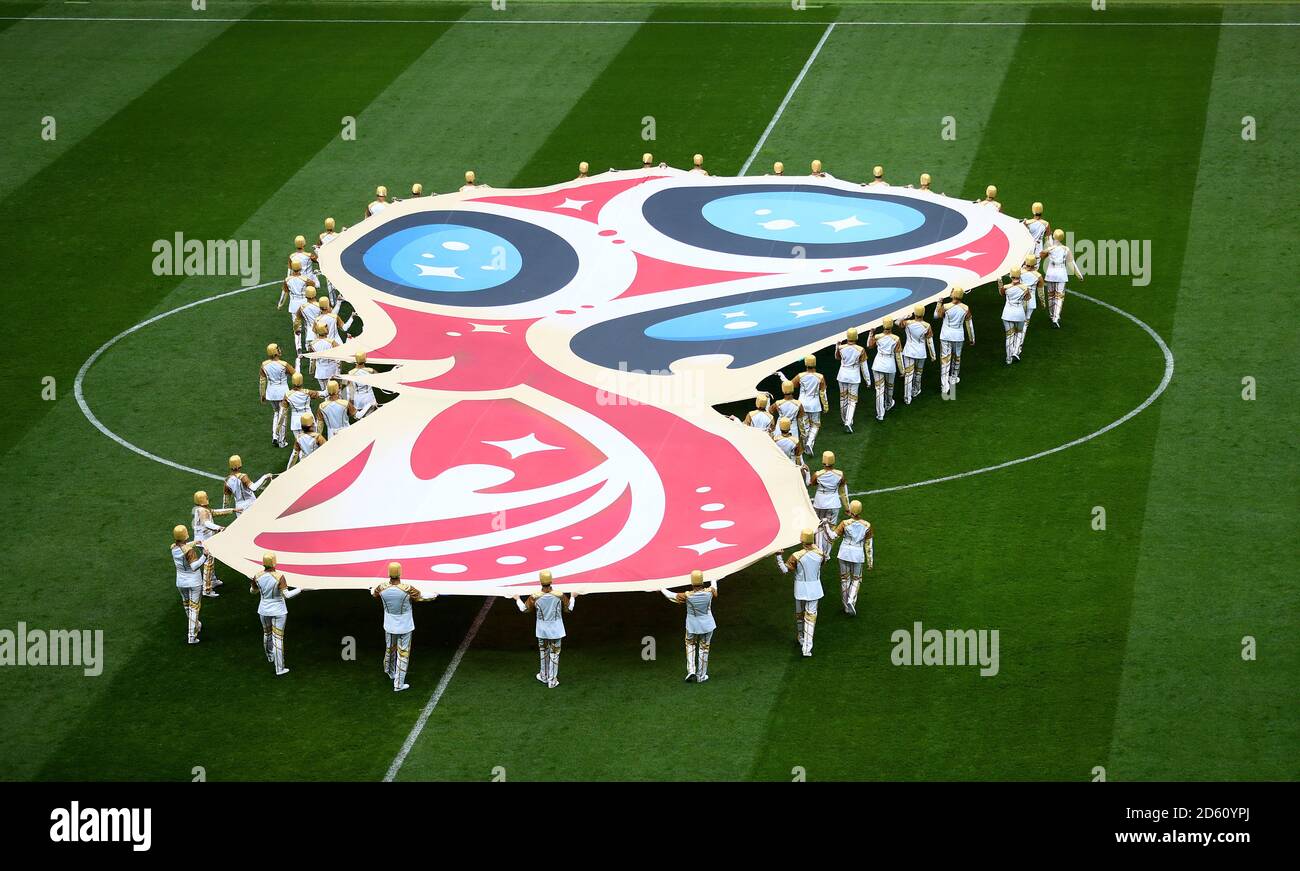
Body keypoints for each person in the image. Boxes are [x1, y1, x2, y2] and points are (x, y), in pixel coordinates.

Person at [373, 562, 433, 692]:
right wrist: (434, 595)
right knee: (403, 654)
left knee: (390, 649)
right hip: (405, 625)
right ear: (400, 573)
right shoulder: (407, 589)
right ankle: (399, 684)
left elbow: (374, 593)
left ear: (389, 573)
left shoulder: (381, 588)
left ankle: (389, 671)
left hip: (389, 624)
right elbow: (421, 597)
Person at [515, 570, 575, 689]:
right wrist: (573, 597)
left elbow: (524, 609)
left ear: (540, 581)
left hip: (541, 630)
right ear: (551, 580)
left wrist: (517, 599)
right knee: (554, 654)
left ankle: (544, 675)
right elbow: (569, 608)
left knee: (543, 652)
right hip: (556, 630)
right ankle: (552, 680)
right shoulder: (559, 595)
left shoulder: (534, 596)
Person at [774, 529, 825, 657]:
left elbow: (784, 570)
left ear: (802, 540)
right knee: (810, 618)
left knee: (800, 615)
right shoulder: (821, 554)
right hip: (815, 589)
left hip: (800, 589)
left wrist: (778, 556)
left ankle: (802, 638)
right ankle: (806, 647)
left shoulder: (797, 555)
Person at [660, 570, 717, 683]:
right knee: (704, 649)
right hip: (707, 624)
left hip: (692, 625)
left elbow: (671, 596)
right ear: (702, 581)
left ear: (692, 582)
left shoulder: (687, 595)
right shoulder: (709, 592)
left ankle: (691, 671)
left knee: (690, 645)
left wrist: (661, 588)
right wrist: (714, 576)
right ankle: (701, 676)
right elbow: (714, 586)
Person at [251, 552, 299, 676]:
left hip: (263, 609)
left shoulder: (257, 576)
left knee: (267, 634)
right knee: (278, 639)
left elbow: (252, 591)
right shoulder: (279, 577)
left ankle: (269, 656)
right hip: (278, 610)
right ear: (274, 562)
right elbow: (287, 595)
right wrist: (300, 589)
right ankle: (279, 668)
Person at [829, 501, 873, 616]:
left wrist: (825, 526)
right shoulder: (867, 525)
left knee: (844, 579)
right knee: (856, 579)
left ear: (851, 510)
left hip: (844, 553)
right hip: (857, 554)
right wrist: (870, 561)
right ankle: (851, 600)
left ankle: (846, 607)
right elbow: (868, 545)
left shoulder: (844, 523)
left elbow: (833, 536)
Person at [191, 490, 233, 598]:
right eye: (205, 497)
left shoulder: (201, 509)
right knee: (208, 563)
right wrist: (219, 528)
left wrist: (232, 510)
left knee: (210, 561)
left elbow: (215, 512)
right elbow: (206, 523)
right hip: (204, 541)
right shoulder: (202, 510)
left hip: (202, 540)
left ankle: (213, 581)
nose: (207, 498)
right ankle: (207, 589)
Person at [934, 287, 974, 396]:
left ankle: (944, 386)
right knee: (957, 357)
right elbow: (969, 324)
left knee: (945, 360)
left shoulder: (946, 306)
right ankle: (953, 377)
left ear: (954, 294)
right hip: (958, 336)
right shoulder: (966, 308)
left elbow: (936, 316)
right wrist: (972, 338)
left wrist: (939, 303)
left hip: (946, 336)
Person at [1039, 228, 1083, 327]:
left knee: (1051, 295)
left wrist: (1047, 247)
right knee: (1059, 296)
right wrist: (1079, 275)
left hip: (1050, 274)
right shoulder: (1066, 249)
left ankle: (1052, 315)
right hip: (1061, 274)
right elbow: (1071, 263)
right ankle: (1055, 318)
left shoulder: (1050, 248)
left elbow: (1040, 255)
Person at [171, 525, 205, 645]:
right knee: (194, 608)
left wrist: (195, 542)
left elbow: (183, 546)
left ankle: (196, 625)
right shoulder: (189, 551)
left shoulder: (173, 547)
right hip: (194, 581)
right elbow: (194, 566)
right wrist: (205, 556)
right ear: (185, 535)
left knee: (187, 606)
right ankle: (192, 636)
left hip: (181, 582)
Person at [868, 318, 905, 420]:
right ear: (891, 326)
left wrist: (871, 333)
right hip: (889, 365)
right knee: (889, 387)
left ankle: (880, 414)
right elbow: (898, 356)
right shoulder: (896, 338)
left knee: (879, 390)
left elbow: (869, 346)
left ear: (883, 326)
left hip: (878, 364)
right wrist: (902, 370)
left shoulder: (877, 336)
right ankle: (888, 404)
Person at [259, 342, 293, 448]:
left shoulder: (264, 365)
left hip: (271, 393)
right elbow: (295, 374)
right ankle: (282, 441)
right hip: (282, 392)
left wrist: (262, 394)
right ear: (275, 352)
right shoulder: (284, 364)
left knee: (276, 413)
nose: (280, 350)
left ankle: (275, 436)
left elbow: (262, 381)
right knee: (283, 416)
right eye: (278, 349)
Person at [900, 304, 936, 404]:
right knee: (918, 373)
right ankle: (916, 390)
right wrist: (933, 355)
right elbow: (930, 341)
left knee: (908, 375)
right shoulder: (927, 326)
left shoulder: (908, 323)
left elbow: (897, 322)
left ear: (914, 313)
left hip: (908, 352)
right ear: (923, 313)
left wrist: (905, 316)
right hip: (921, 352)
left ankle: (907, 398)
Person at [835, 328, 867, 432]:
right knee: (852, 400)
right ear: (856, 337)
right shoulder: (860, 349)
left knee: (843, 398)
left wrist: (837, 346)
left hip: (842, 375)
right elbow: (864, 366)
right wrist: (868, 380)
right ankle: (848, 422)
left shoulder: (841, 348)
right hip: (854, 376)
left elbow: (837, 358)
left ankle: (845, 420)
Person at [796, 355, 828, 456]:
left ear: (806, 364)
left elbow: (791, 385)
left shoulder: (800, 376)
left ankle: (806, 447)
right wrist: (825, 405)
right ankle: (809, 443)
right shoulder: (820, 377)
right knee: (815, 425)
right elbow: (823, 393)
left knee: (805, 426)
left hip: (802, 404)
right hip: (815, 405)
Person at [998, 267, 1030, 363]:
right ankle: (1015, 352)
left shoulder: (1006, 287)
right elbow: (1027, 298)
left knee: (1009, 336)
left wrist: (999, 282)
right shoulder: (1025, 288)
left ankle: (1008, 359)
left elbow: (1001, 293)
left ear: (1011, 276)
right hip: (1019, 313)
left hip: (1007, 313)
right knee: (1019, 333)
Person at [810, 450, 848, 525]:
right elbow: (843, 492)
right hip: (834, 504)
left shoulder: (817, 474)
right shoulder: (840, 474)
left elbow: (812, 483)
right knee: (831, 527)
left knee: (818, 526)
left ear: (823, 461)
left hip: (819, 503)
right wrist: (847, 507)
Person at [284, 372, 321, 448]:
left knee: (301, 446)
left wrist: (278, 430)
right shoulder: (308, 392)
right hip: (309, 419)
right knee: (313, 444)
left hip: (296, 422)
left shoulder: (287, 395)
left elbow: (282, 413)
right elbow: (323, 394)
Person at [772, 417, 808, 483]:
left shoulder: (774, 439)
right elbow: (798, 457)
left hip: (779, 463)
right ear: (789, 428)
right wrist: (800, 469)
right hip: (791, 464)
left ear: (780, 428)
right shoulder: (795, 441)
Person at [773, 380, 804, 451]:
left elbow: (770, 411)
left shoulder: (778, 403)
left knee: (777, 447)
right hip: (793, 426)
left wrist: (773, 424)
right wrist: (803, 432)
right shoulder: (798, 403)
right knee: (794, 446)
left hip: (780, 425)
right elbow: (801, 417)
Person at [309, 321, 340, 391]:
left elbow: (312, 359)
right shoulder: (332, 342)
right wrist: (338, 370)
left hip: (320, 371)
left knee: (324, 391)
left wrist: (311, 371)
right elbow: (339, 357)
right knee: (334, 391)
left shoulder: (312, 344)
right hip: (331, 370)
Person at [1020, 253, 1043, 346]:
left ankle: (1015, 342)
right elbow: (1041, 292)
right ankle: (1019, 344)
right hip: (1031, 301)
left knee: (1018, 321)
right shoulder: (1038, 276)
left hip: (1020, 300)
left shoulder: (1019, 272)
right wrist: (1043, 303)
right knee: (1025, 322)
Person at [347, 352, 380, 418]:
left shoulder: (350, 373)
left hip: (358, 401)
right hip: (369, 398)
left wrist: (350, 404)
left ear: (355, 360)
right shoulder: (371, 370)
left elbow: (351, 391)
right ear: (365, 359)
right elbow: (380, 379)